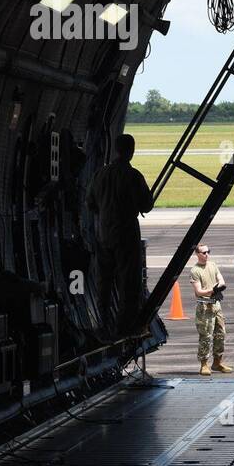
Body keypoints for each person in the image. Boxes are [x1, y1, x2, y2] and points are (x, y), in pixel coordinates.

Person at [85, 132, 154, 337]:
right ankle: (124, 327)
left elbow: (90, 203)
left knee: (104, 282)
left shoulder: (100, 174)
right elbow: (147, 205)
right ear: (131, 151)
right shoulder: (133, 176)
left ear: (115, 149)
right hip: (126, 234)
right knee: (128, 282)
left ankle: (102, 324)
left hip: (104, 234)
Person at [189, 244, 232, 376]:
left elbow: (221, 280)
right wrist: (212, 290)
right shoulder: (195, 270)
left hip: (216, 305)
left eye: (208, 252)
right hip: (205, 306)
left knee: (220, 333)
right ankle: (204, 364)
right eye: (203, 252)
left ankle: (217, 362)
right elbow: (198, 292)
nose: (206, 254)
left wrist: (219, 287)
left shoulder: (212, 265)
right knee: (206, 336)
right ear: (197, 254)